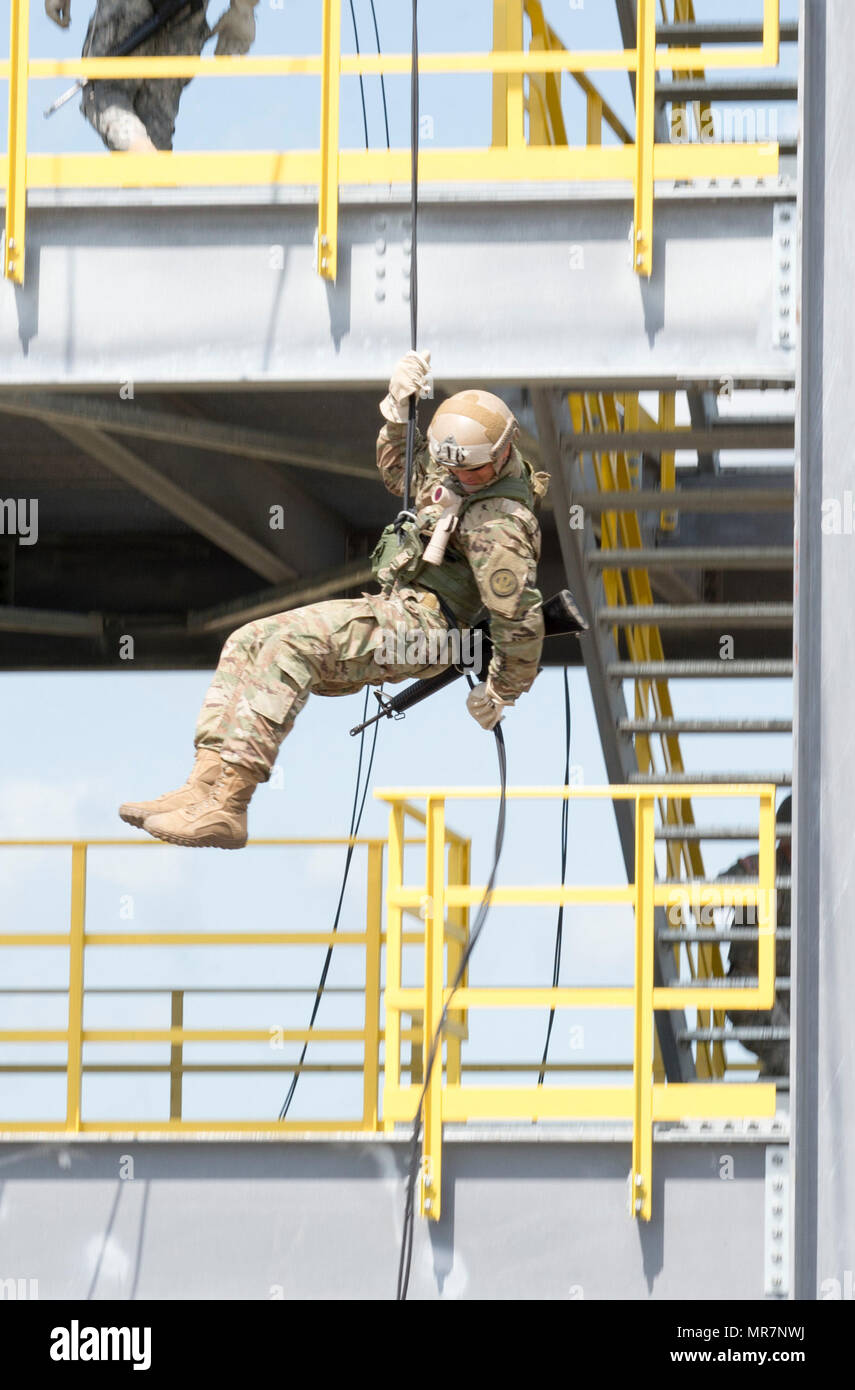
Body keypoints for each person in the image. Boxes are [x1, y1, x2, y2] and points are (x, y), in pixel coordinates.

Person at [119, 351, 549, 848]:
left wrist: (499, 692)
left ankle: (229, 806)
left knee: (291, 647)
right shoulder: (462, 471)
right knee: (249, 638)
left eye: (470, 471)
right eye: (451, 466)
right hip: (401, 611)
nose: (458, 478)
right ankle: (204, 784)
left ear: (501, 455)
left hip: (429, 633)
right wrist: (397, 411)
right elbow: (401, 476)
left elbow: (519, 622)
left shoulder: (500, 523)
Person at [45, 0, 259, 152]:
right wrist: (243, 9)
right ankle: (156, 187)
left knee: (104, 93)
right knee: (157, 117)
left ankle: (147, 163)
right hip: (189, 10)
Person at [720, 794, 792, 1079]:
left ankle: (776, 1102)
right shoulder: (757, 868)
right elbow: (705, 901)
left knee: (802, 1055)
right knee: (798, 1055)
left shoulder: (821, 877)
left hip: (792, 996)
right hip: (749, 988)